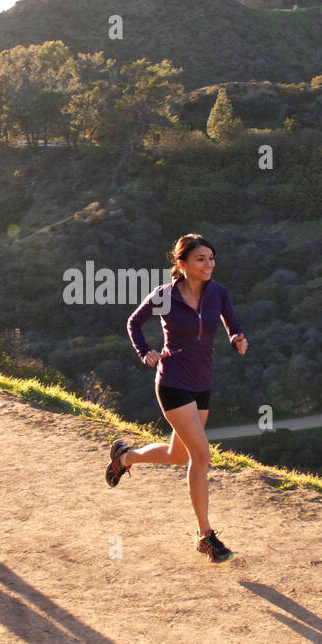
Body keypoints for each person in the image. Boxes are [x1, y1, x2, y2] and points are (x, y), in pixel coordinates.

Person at [106, 233, 248, 563]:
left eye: (211, 258)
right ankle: (206, 536)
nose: (209, 264)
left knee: (179, 455)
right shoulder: (165, 296)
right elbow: (133, 322)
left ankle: (125, 457)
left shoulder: (219, 294)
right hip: (173, 381)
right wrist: (144, 352)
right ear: (182, 264)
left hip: (203, 381)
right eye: (201, 259)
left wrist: (238, 339)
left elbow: (233, 326)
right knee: (202, 455)